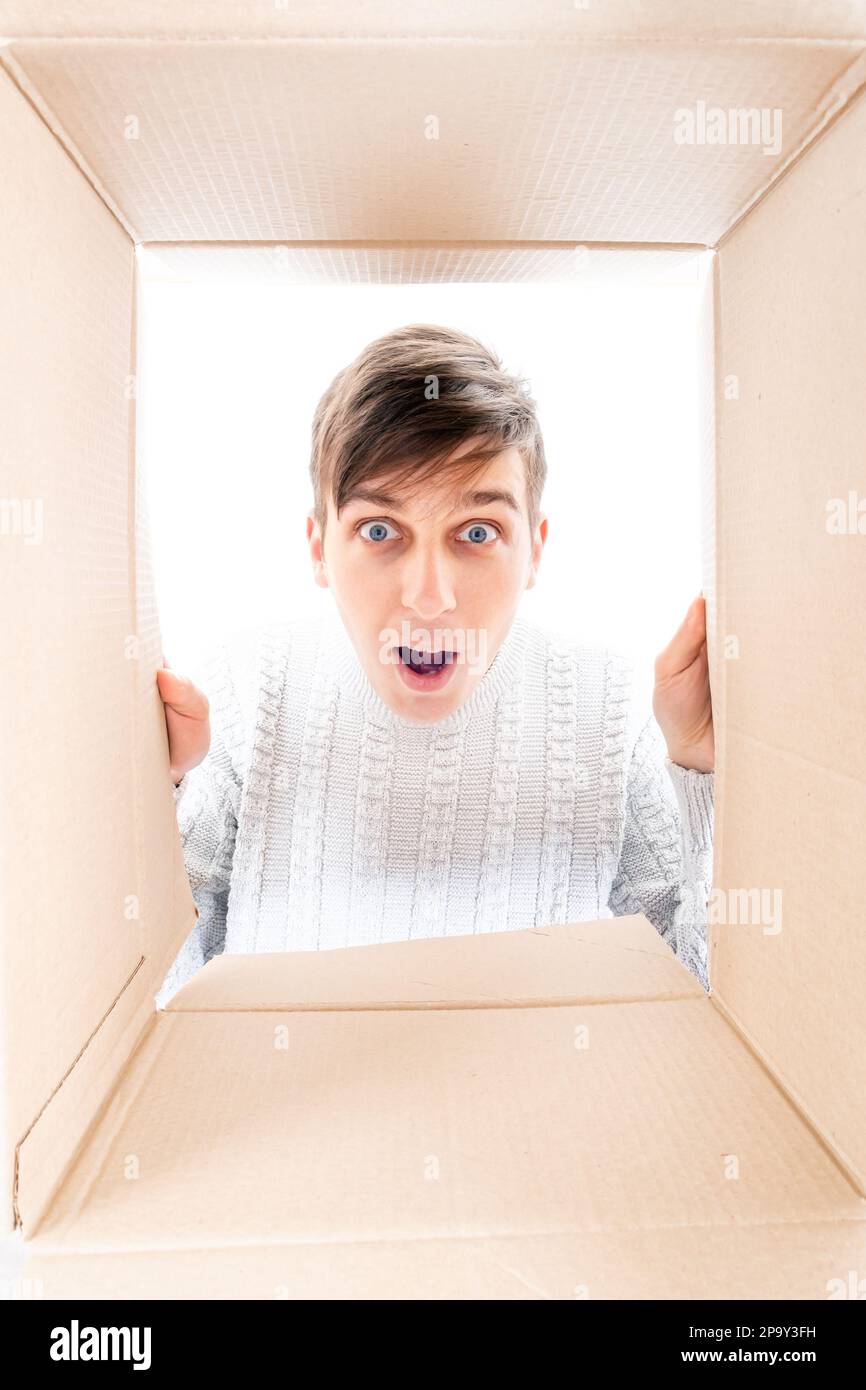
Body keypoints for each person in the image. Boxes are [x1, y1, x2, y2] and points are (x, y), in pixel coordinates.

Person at [155, 323, 714, 1008]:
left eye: (477, 533)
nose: (429, 596)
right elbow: (162, 1007)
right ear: (318, 546)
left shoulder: (610, 708)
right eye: (380, 531)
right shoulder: (246, 691)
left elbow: (698, 1015)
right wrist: (156, 801)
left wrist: (702, 771)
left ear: (534, 550)